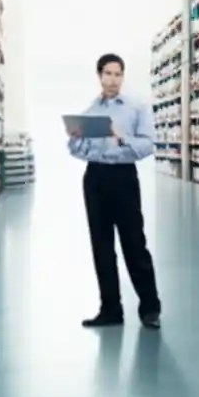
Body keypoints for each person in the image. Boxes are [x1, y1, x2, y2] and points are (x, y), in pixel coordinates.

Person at [68, 53, 161, 329]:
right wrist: (75, 140)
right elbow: (78, 151)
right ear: (99, 76)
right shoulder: (89, 113)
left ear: (123, 76)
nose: (113, 79)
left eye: (118, 74)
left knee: (134, 243)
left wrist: (122, 140)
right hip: (95, 177)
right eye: (108, 73)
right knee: (102, 245)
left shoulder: (136, 108)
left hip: (123, 177)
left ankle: (150, 308)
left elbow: (147, 145)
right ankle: (110, 309)